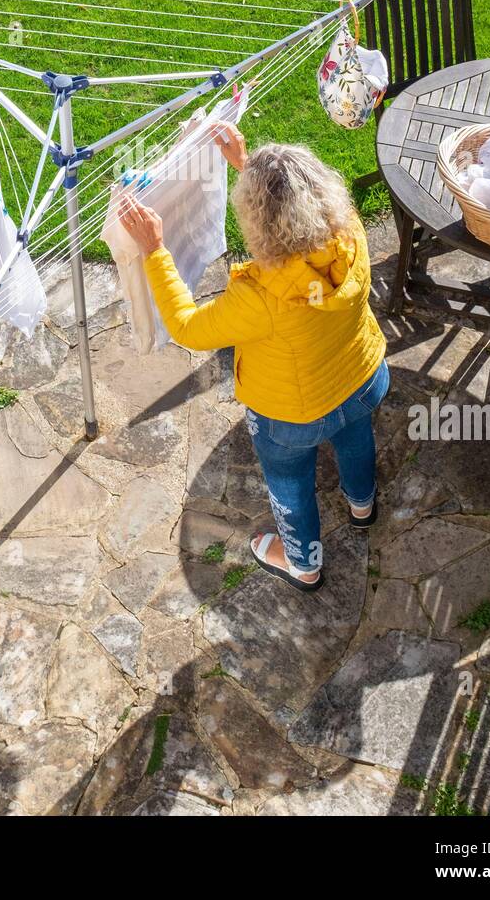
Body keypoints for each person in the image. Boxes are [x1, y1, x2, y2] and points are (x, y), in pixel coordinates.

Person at [117, 123, 388, 593]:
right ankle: (362, 505)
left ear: (260, 222)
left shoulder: (262, 297)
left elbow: (187, 327)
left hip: (293, 417)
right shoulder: (351, 235)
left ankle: (303, 563)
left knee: (291, 483)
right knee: (355, 437)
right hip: (363, 378)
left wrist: (155, 251)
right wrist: (249, 167)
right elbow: (297, 211)